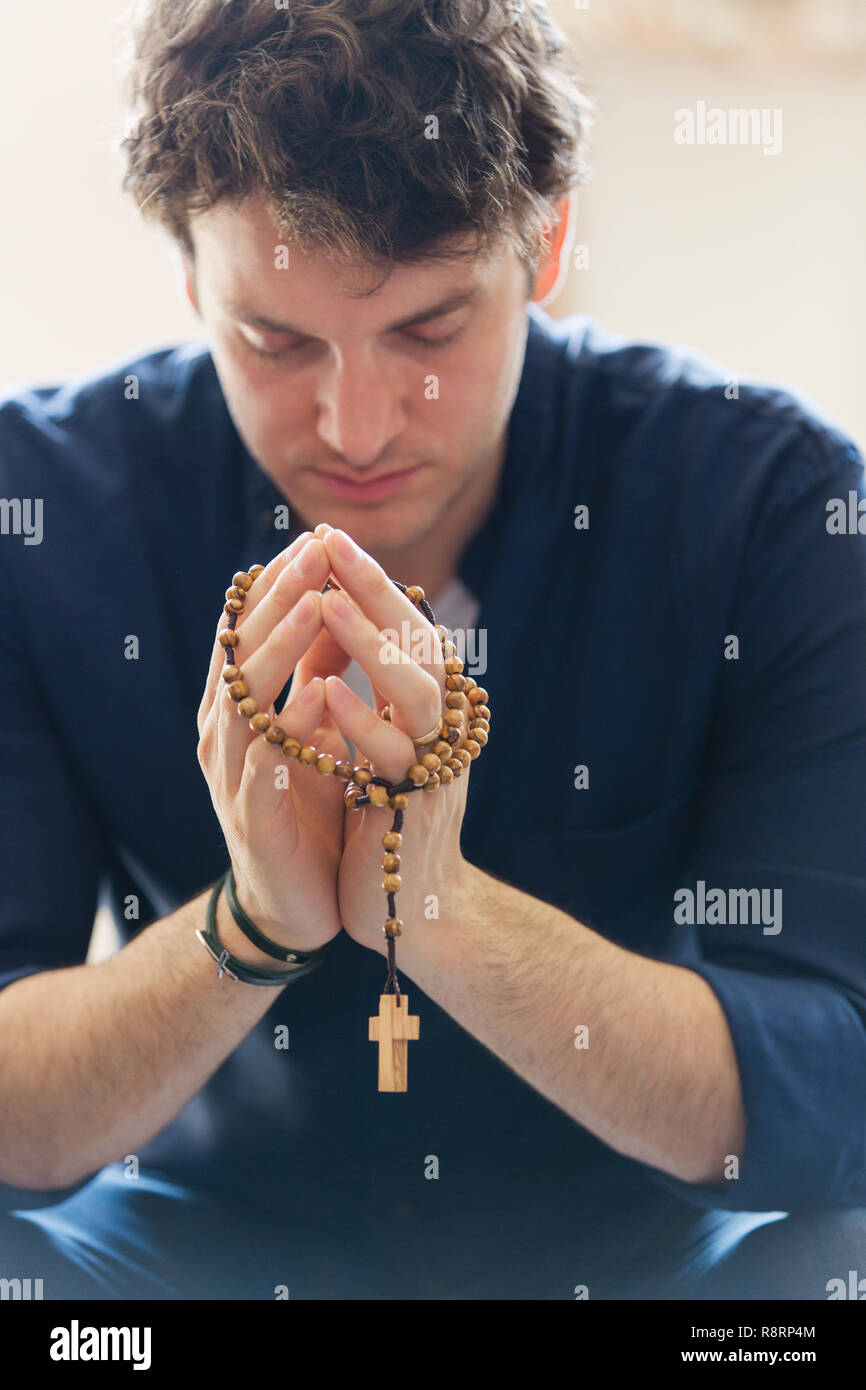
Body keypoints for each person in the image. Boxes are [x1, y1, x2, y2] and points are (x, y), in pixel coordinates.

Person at [0, 0, 864, 1301]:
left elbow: (832, 1081)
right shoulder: (41, 512)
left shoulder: (766, 504)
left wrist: (444, 910)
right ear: (187, 275)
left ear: (548, 241)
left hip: (655, 1247)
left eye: (429, 329)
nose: (354, 428)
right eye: (275, 340)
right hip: (186, 1242)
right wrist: (250, 922)